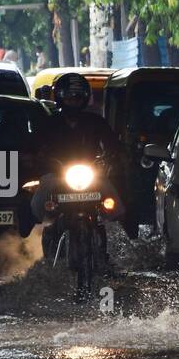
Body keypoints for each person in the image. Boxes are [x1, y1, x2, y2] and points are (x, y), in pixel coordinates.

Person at [32, 72, 125, 243]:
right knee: (39, 202)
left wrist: (114, 154)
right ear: (61, 98)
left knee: (114, 202)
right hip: (56, 174)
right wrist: (39, 157)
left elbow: (112, 144)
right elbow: (35, 145)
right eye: (69, 98)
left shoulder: (96, 121)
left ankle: (115, 243)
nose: (73, 102)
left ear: (84, 99)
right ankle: (45, 234)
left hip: (90, 174)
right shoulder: (50, 123)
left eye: (77, 98)